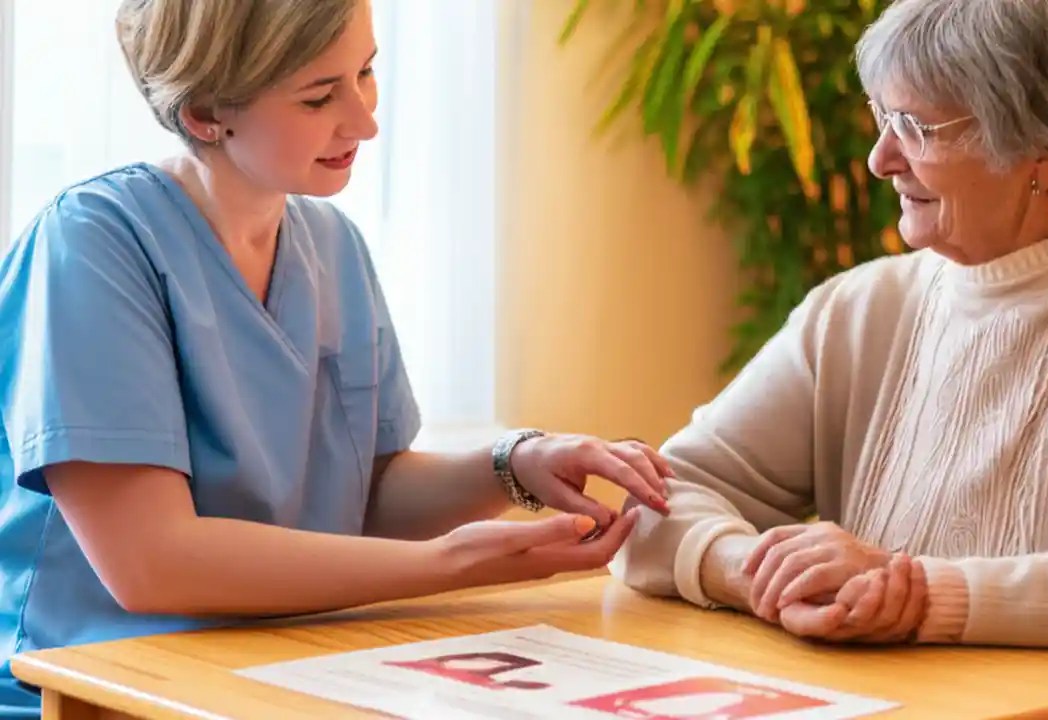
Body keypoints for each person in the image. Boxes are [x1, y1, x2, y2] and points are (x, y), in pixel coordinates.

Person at [609, 0, 1048, 716]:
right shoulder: (855, 310)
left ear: (1041, 150)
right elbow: (649, 507)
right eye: (882, 116)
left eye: (917, 128)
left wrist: (919, 594)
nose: (879, 158)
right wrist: (760, 574)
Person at [0, 0, 671, 715]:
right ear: (203, 113)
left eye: (366, 73)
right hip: (84, 688)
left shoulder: (332, 244)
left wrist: (513, 466)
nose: (365, 121)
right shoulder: (93, 244)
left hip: (275, 669)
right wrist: (453, 564)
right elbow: (150, 564)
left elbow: (367, 496)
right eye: (320, 96)